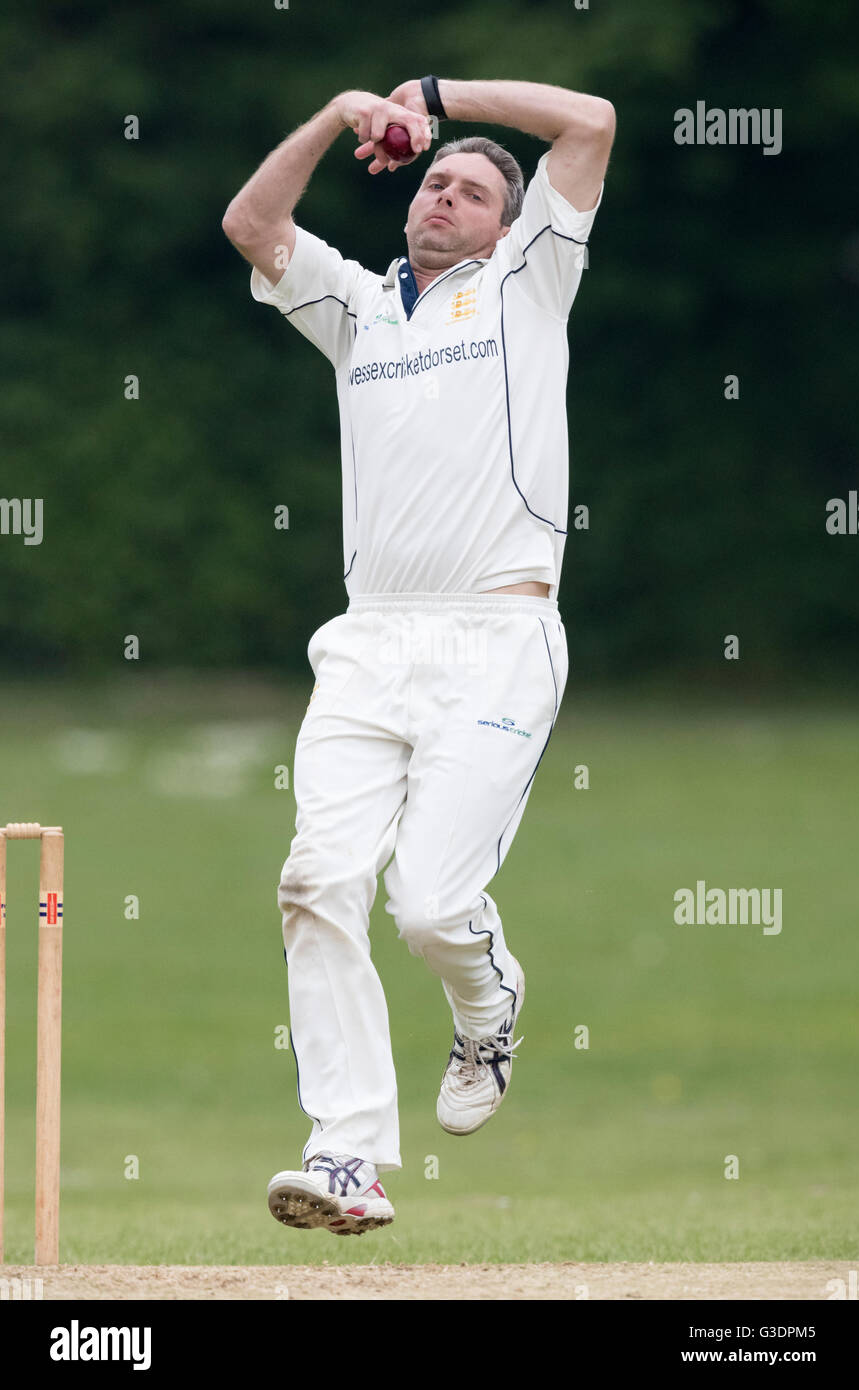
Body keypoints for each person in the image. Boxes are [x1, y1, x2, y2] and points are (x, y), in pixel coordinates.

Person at [222, 76, 615, 1236]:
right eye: (432, 182)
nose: (443, 197)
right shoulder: (359, 305)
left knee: (431, 907)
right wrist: (338, 118)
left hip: (496, 634)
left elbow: (588, 122)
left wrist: (435, 98)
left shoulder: (527, 282)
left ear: (509, 220)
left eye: (469, 189)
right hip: (368, 640)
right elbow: (252, 226)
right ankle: (346, 1154)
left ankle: (487, 1012)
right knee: (313, 882)